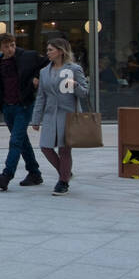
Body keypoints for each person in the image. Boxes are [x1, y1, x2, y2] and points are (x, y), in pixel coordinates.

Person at [0, 33, 47, 191]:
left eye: (12, 45)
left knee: (15, 140)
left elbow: (46, 63)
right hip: (7, 107)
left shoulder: (28, 56)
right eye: (6, 46)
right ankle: (34, 173)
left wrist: (36, 77)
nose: (10, 49)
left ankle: (6, 175)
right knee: (21, 141)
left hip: (24, 105)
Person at [30, 38, 90, 196]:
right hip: (50, 114)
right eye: (48, 49)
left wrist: (75, 85)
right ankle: (66, 172)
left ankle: (63, 181)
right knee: (45, 147)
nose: (47, 52)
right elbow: (41, 96)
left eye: (50, 49)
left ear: (61, 51)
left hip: (68, 114)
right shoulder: (44, 71)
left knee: (64, 150)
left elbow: (84, 92)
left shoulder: (74, 69)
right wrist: (36, 119)